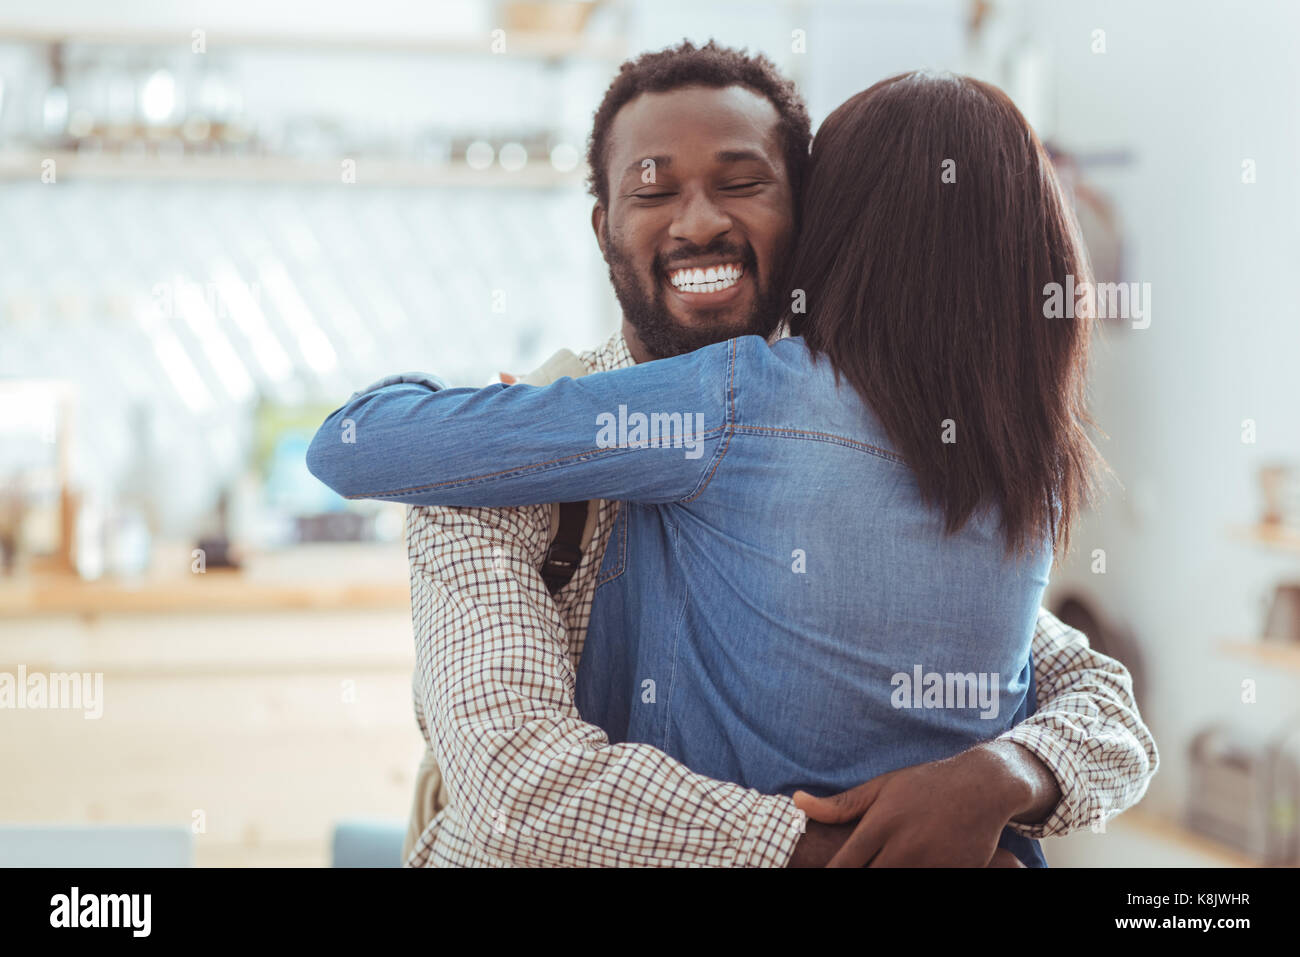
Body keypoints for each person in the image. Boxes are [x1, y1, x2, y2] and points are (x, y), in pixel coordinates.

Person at [312, 44, 1157, 868]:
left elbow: (1097, 700)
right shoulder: (485, 475)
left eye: (743, 183)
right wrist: (863, 847)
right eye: (654, 189)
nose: (700, 221)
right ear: (604, 228)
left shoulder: (787, 414)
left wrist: (1005, 771)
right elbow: (518, 794)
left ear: (811, 220)